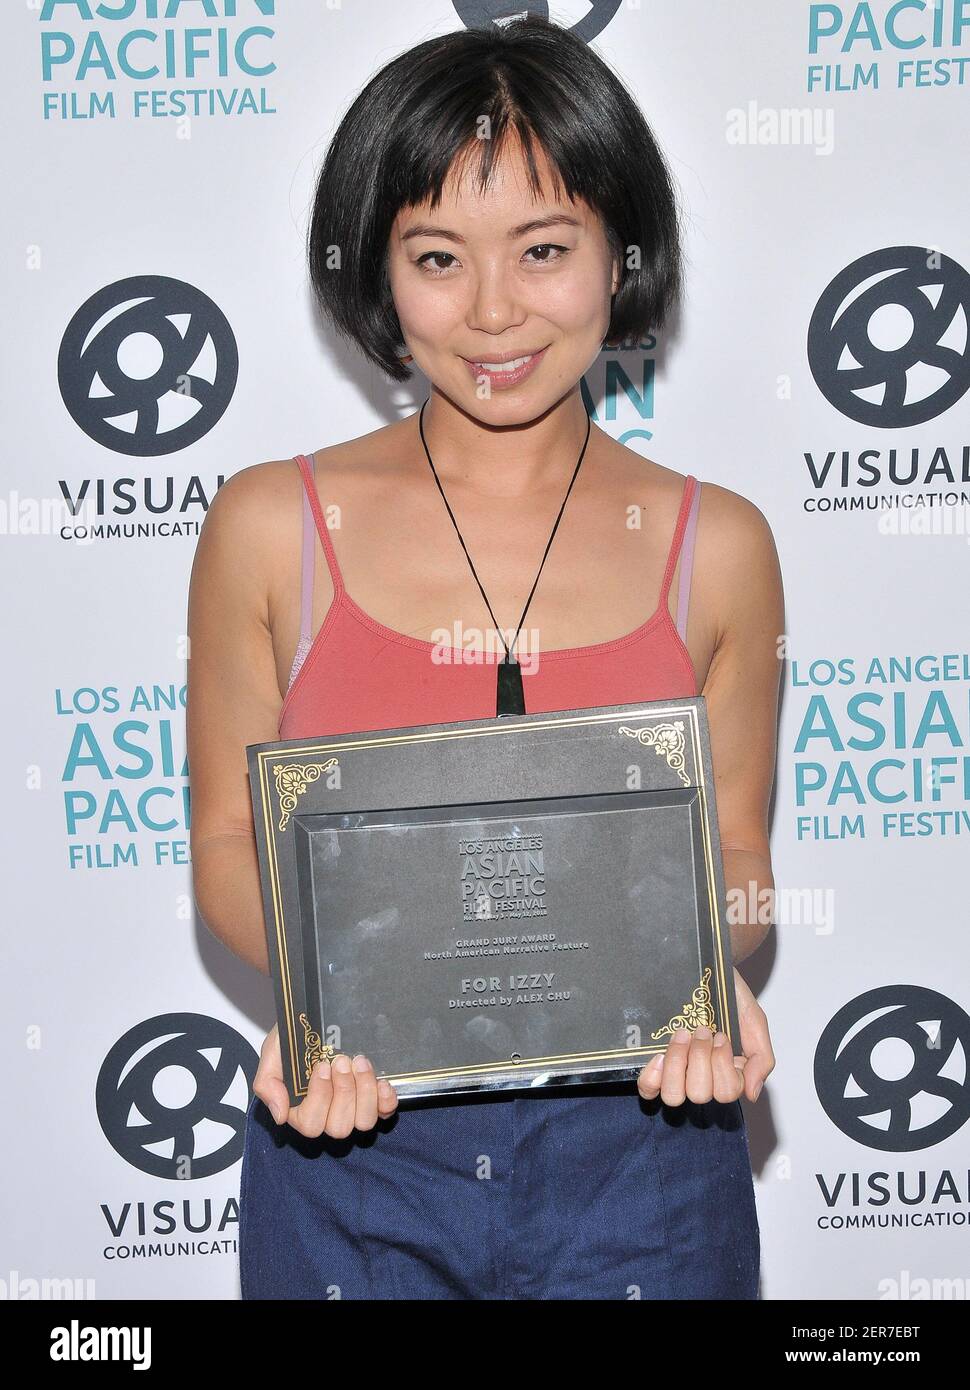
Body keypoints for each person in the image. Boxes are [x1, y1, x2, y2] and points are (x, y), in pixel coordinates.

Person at [187, 15, 781, 1300]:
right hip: (353, 1138)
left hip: (643, 1147)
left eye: (546, 249)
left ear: (619, 254)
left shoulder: (715, 543)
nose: (495, 310)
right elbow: (231, 850)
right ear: (377, 274)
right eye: (438, 257)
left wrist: (704, 979)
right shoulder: (269, 524)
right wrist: (319, 1005)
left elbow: (737, 860)